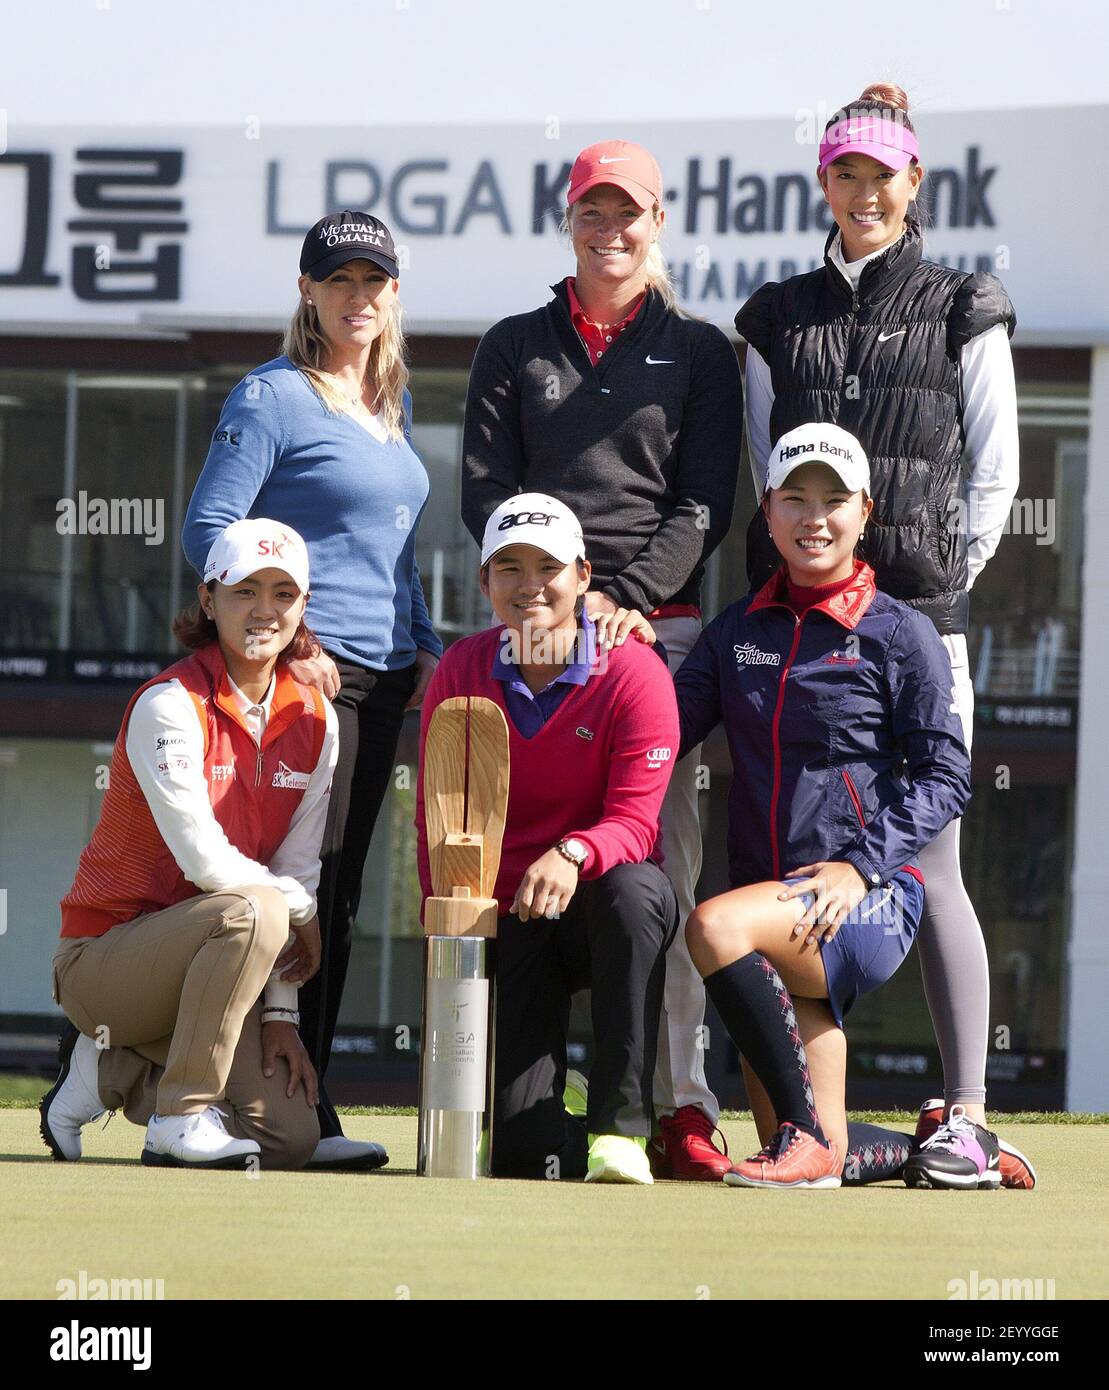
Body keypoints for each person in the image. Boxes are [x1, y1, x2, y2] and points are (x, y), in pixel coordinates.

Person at [735, 84, 1035, 1189]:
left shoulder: (962, 301)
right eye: (844, 175)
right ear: (825, 184)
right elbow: (765, 466)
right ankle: (813, 1122)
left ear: (914, 183)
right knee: (794, 857)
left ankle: (965, 1111)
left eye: (882, 175)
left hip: (914, 625)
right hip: (803, 630)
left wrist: (938, 589)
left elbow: (993, 465)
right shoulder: (775, 315)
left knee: (930, 862)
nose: (863, 194)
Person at [461, 141, 743, 1180]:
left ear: (657, 222)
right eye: (592, 212)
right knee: (495, 841)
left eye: (628, 214)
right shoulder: (512, 344)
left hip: (648, 630)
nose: (609, 231)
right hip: (531, 610)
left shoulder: (700, 352)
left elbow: (702, 503)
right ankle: (505, 1092)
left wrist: (618, 600)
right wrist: (554, 592)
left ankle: (674, 1100)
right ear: (569, 220)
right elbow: (483, 488)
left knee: (654, 863)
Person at [183, 211, 442, 1170]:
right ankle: (269, 1109)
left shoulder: (389, 404)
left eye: (375, 280)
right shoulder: (272, 397)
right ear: (306, 291)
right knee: (289, 896)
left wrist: (426, 652)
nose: (358, 296)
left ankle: (297, 1103)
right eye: (339, 280)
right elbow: (208, 531)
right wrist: (295, 645)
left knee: (334, 900)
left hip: (382, 685)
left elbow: (397, 557)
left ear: (395, 293)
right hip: (303, 683)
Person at [673, 425, 983, 1187]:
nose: (814, 517)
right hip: (773, 910)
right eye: (794, 500)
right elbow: (664, 727)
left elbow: (946, 775)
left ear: (864, 511)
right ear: (768, 515)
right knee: (810, 1147)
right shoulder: (735, 632)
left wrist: (858, 865)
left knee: (710, 922)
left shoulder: (900, 633)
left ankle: (813, 1138)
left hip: (864, 905)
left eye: (833, 500)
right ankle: (899, 1150)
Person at [41, 520, 345, 1170]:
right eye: (245, 591)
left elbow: (294, 867)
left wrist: (282, 1016)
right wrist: (300, 909)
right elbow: (205, 862)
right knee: (255, 906)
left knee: (288, 1138)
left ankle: (106, 1071)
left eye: (283, 593)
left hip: (221, 955)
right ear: (209, 601)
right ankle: (177, 1121)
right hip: (101, 965)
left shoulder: (318, 721)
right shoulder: (170, 704)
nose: (265, 610)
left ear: (304, 606)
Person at [416, 494, 680, 1184]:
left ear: (584, 575)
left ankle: (621, 1128)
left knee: (635, 889)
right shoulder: (460, 670)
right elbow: (434, 818)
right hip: (511, 919)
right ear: (484, 583)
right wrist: (447, 936)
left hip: (602, 907)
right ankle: (554, 1103)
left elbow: (636, 820)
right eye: (509, 567)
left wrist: (572, 852)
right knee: (522, 1159)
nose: (529, 583)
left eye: (548, 566)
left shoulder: (633, 672)